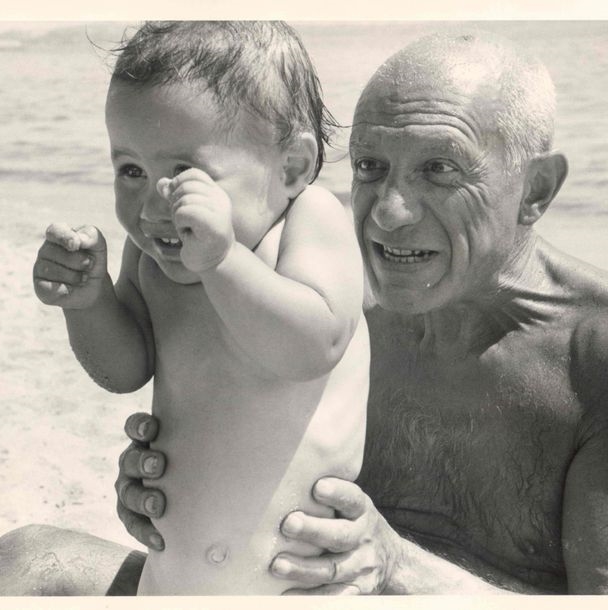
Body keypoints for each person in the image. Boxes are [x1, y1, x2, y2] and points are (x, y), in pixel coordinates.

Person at [0, 29, 608, 596]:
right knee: (33, 557)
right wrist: (172, 490)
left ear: (536, 190)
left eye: (439, 171)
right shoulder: (310, 289)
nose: (386, 214)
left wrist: (398, 567)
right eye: (368, 168)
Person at [20, 21, 368, 596]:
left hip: (299, 582)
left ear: (291, 168)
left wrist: (223, 261)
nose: (156, 202)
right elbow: (125, 368)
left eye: (185, 173)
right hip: (170, 579)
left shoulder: (311, 222)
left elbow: (314, 346)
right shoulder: (150, 256)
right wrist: (88, 303)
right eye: (131, 170)